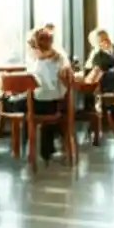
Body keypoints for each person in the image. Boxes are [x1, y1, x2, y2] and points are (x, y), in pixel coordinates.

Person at [20, 26, 72, 162]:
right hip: (56, 105)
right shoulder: (60, 59)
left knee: (15, 104)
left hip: (40, 105)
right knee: (36, 103)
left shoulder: (37, 65)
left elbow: (34, 87)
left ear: (35, 47)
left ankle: (23, 146)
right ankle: (47, 149)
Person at [84, 28, 114, 93]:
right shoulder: (96, 56)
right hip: (101, 89)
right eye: (102, 41)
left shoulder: (113, 52)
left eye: (107, 39)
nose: (106, 43)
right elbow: (89, 73)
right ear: (96, 44)